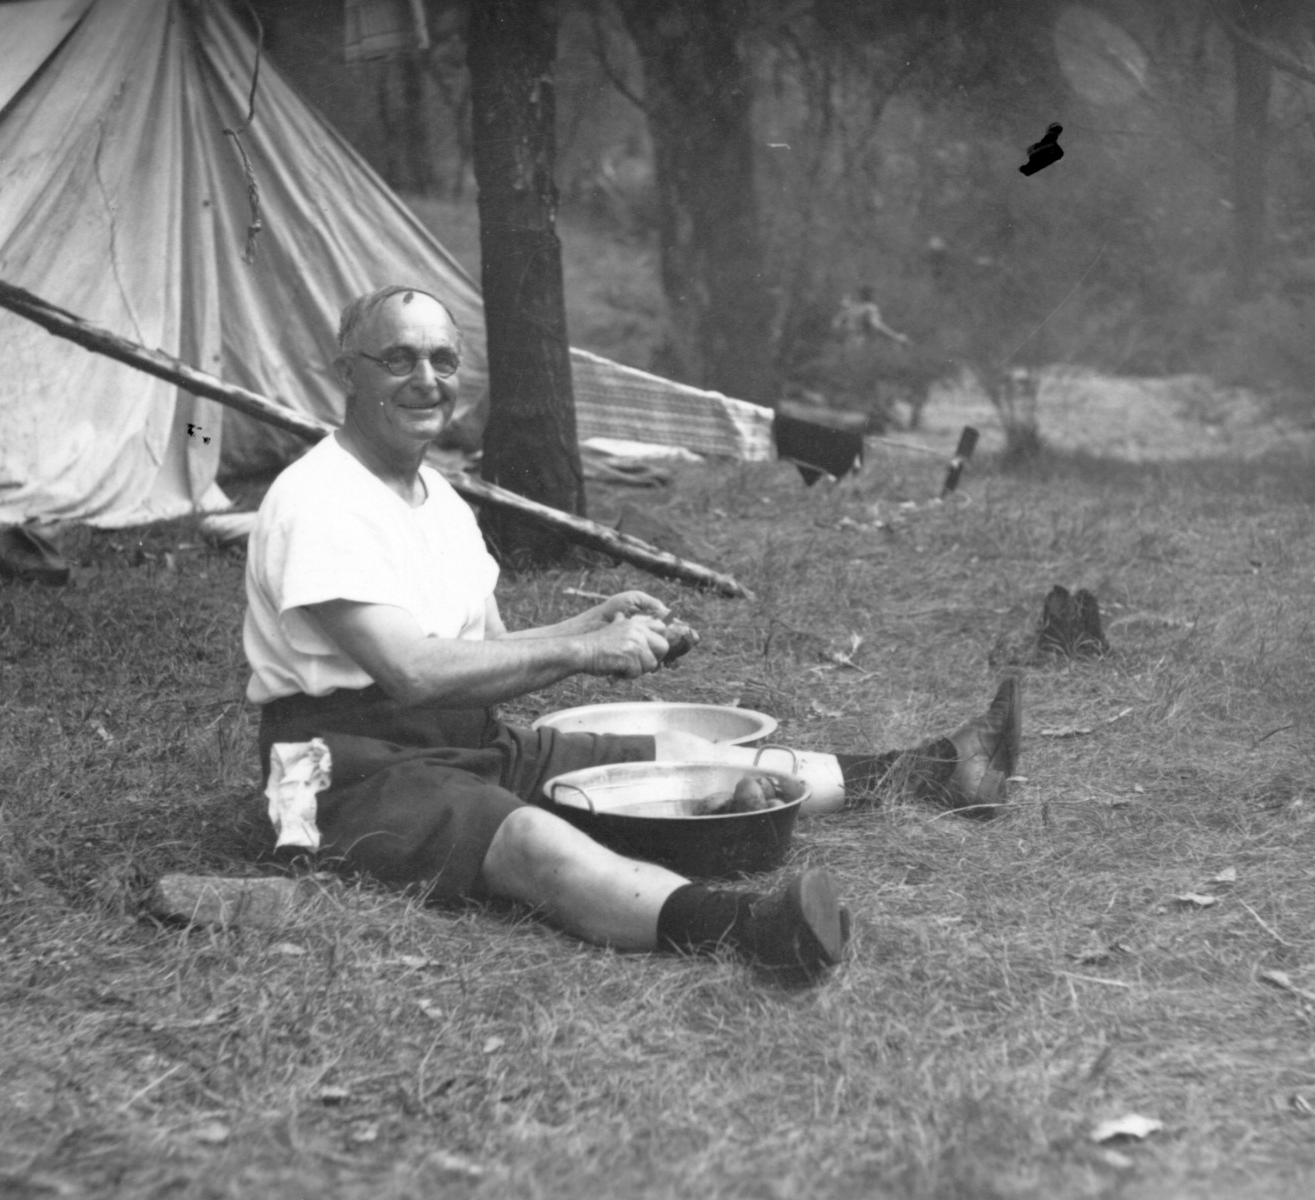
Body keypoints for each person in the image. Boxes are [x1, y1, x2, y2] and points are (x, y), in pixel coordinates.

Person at [242, 285, 1023, 982]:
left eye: (443, 359)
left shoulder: (436, 496)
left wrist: (589, 624)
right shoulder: (320, 499)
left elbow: (481, 653)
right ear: (349, 374)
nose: (426, 380)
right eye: (398, 359)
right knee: (527, 841)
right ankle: (752, 930)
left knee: (683, 759)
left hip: (464, 739)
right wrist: (583, 652)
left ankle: (938, 770)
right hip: (332, 771)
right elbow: (411, 671)